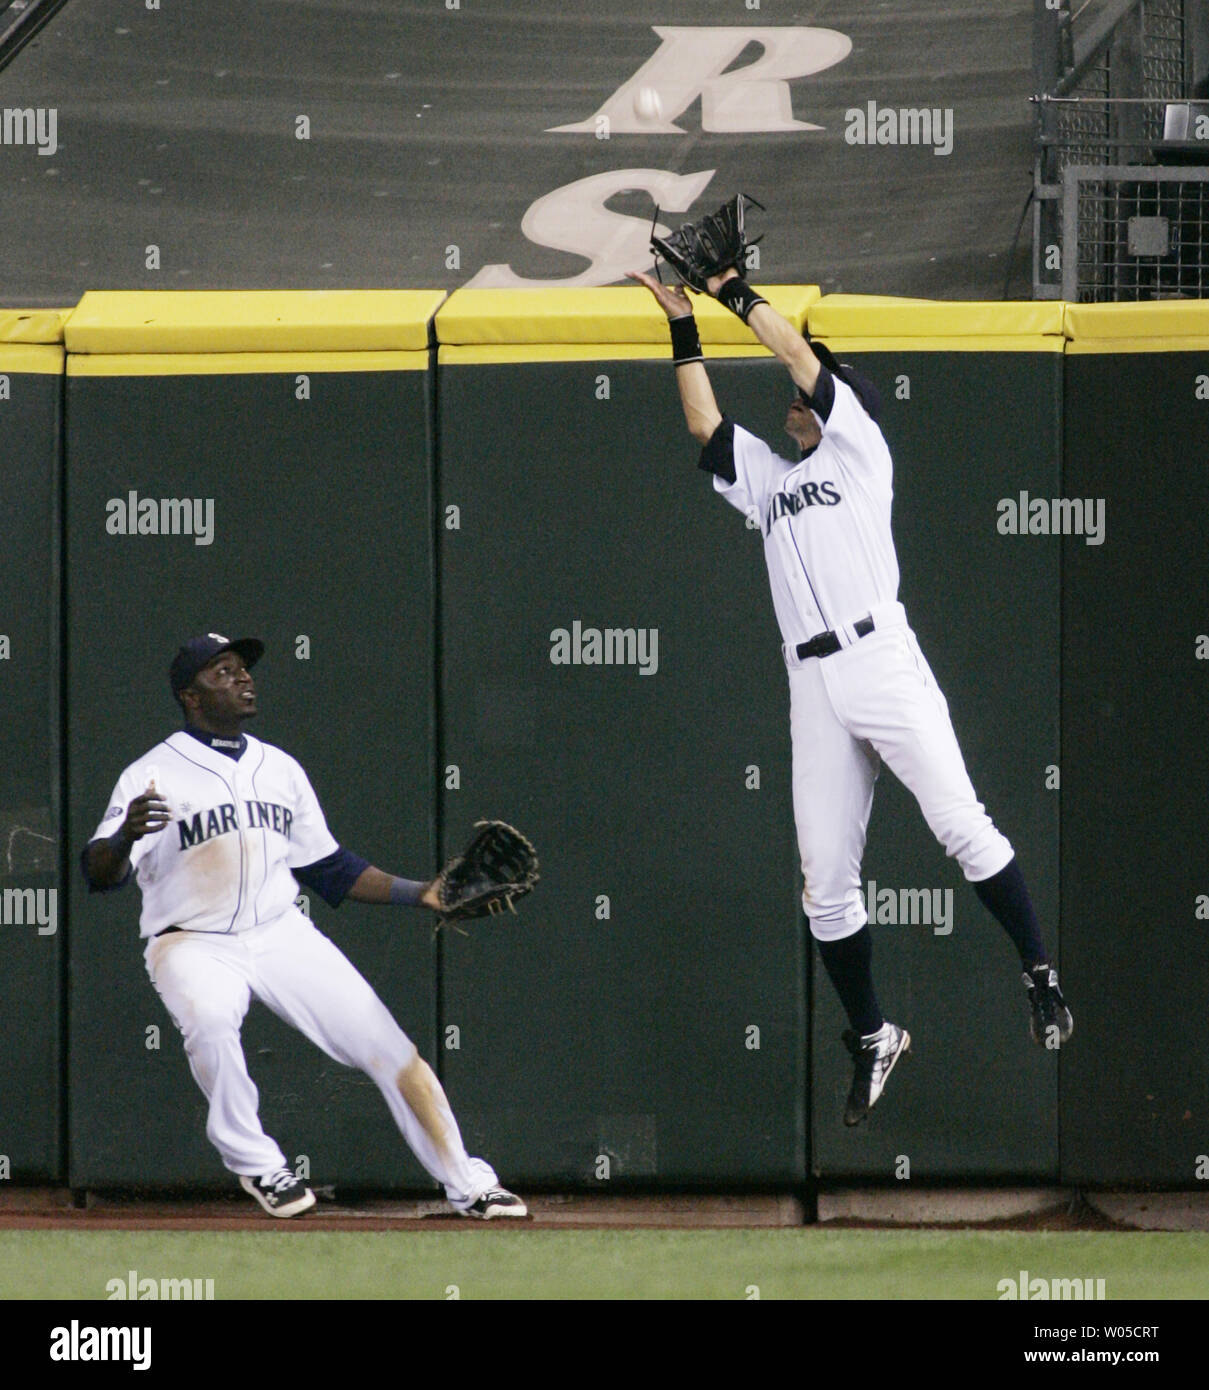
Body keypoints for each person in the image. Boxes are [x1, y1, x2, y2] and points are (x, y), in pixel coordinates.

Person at [628, 265, 1073, 1126]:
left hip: (881, 659)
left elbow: (797, 355)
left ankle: (1039, 975)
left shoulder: (861, 451)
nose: (796, 396)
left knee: (959, 824)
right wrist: (683, 323)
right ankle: (873, 1034)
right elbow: (703, 422)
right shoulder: (772, 481)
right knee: (824, 882)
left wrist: (736, 291)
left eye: (812, 389)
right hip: (811, 681)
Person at [82, 631, 527, 1218]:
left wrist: (420, 893)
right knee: (212, 1022)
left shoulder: (280, 768)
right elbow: (98, 873)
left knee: (389, 1047)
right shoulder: (151, 774)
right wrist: (124, 835)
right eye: (223, 671)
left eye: (243, 667)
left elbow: (329, 868)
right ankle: (261, 1166)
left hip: (278, 932)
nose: (243, 678)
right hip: (190, 941)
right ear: (191, 696)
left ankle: (468, 1184)